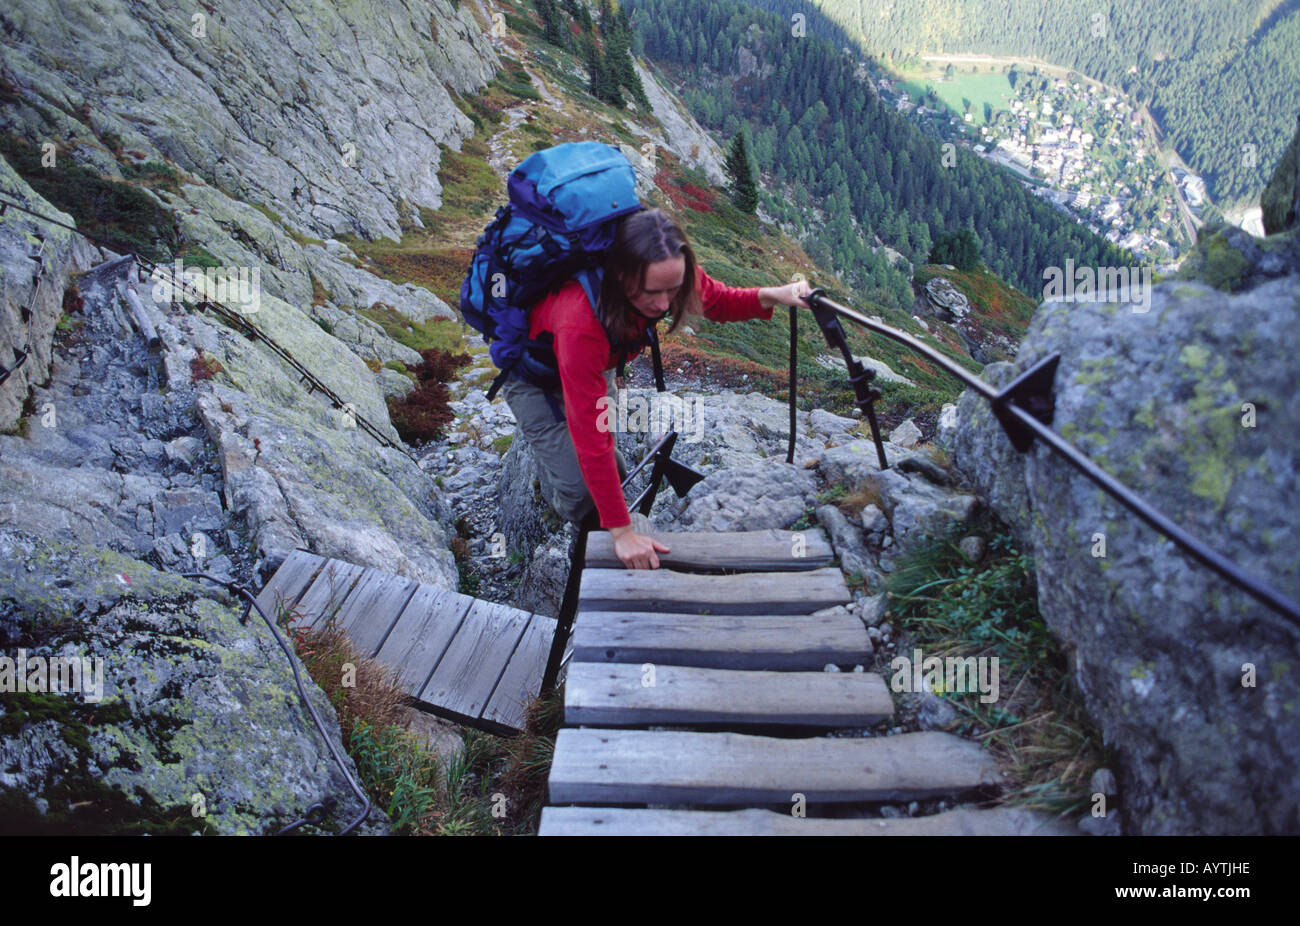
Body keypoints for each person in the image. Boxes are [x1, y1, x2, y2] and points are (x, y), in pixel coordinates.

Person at [500, 207, 813, 570]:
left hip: (592, 369)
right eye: (653, 293)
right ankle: (580, 527)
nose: (665, 305)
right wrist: (622, 533)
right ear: (622, 278)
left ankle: (590, 518)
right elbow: (589, 434)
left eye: (674, 290)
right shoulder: (581, 318)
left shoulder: (665, 269)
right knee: (584, 488)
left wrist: (777, 294)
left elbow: (718, 300)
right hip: (533, 380)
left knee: (610, 470)